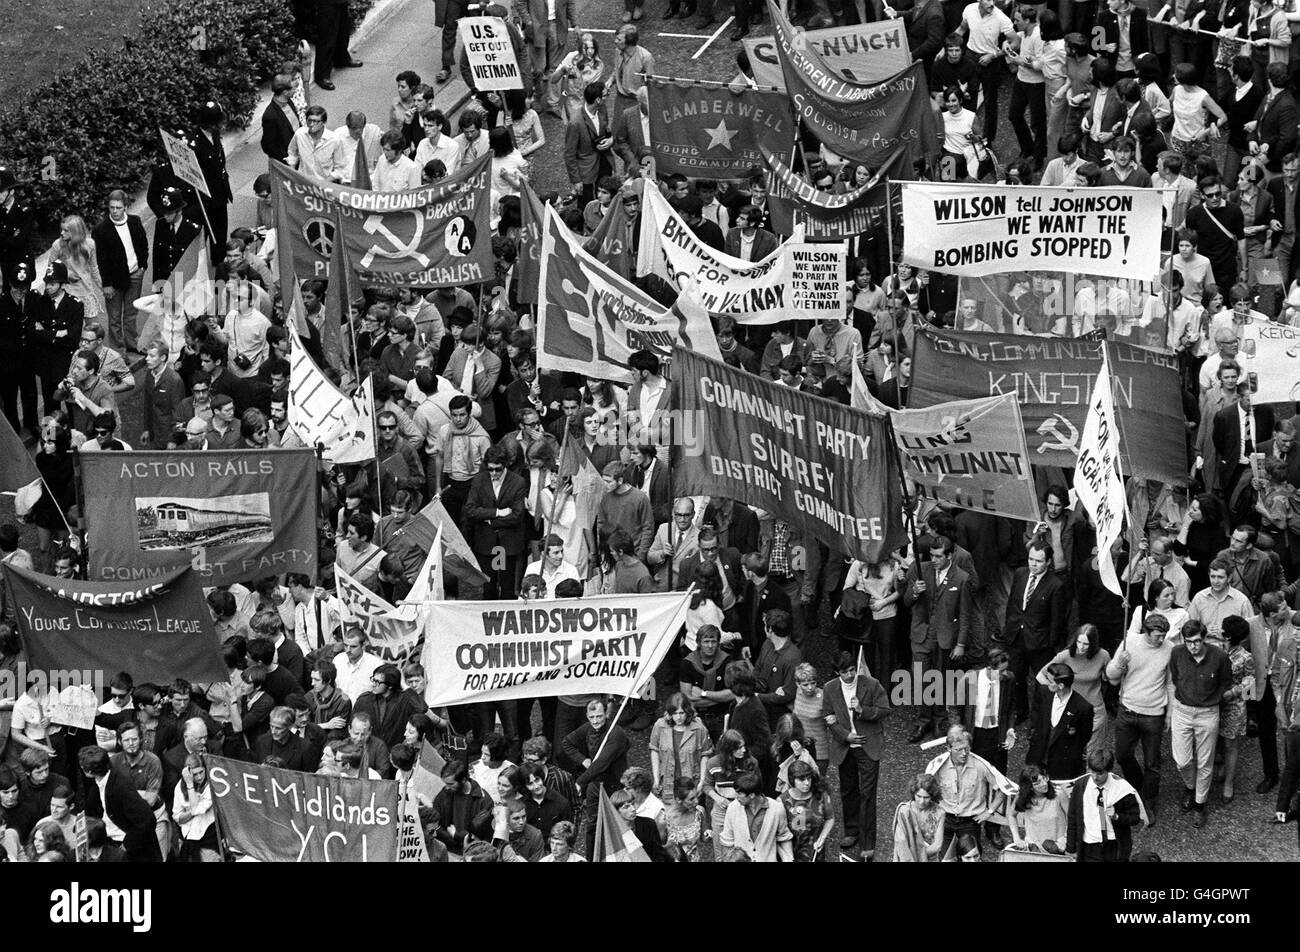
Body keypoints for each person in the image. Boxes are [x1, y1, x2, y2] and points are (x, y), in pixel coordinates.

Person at [904, 533, 975, 741]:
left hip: (945, 637)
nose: (933, 560)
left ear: (950, 556)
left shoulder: (961, 578)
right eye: (931, 555)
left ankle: (939, 718)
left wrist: (961, 643)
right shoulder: (918, 569)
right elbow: (906, 602)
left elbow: (964, 613)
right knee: (921, 678)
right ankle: (923, 719)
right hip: (921, 634)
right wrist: (914, 592)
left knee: (941, 678)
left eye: (938, 556)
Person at [821, 650, 890, 861]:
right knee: (848, 790)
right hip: (846, 746)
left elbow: (885, 709)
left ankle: (868, 843)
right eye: (845, 672)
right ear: (837, 672)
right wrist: (845, 736)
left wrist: (863, 710)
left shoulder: (871, 684)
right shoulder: (830, 689)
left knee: (868, 794)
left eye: (852, 670)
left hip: (868, 744)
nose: (850, 675)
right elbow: (829, 717)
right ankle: (852, 831)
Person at [1169, 619, 1235, 827]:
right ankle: (1190, 786)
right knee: (1182, 760)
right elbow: (1175, 678)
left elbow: (1226, 682)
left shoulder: (1220, 657)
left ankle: (1199, 804)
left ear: (1204, 638)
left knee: (1205, 762)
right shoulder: (1177, 653)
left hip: (1208, 713)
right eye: (1189, 642)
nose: (1193, 646)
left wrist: (1215, 700)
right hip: (1182, 711)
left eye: (1197, 641)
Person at [924, 725, 1014, 856]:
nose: (964, 753)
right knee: (944, 858)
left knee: (972, 857)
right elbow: (928, 789)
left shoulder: (980, 766)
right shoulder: (938, 767)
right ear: (949, 749)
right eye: (959, 750)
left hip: (970, 822)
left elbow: (1002, 789)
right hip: (946, 820)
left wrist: (989, 812)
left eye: (966, 749)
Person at [79, 746, 161, 862]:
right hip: (110, 840)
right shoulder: (99, 782)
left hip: (131, 848)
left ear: (89, 771)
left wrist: (126, 846)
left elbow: (147, 820)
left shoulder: (120, 786)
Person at [1065, 750, 1146, 861]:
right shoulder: (1080, 786)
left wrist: (1117, 816)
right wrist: (1070, 848)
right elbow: (1073, 817)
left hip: (1113, 846)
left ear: (1109, 770)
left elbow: (1135, 818)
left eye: (1100, 773)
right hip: (1089, 845)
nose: (1095, 777)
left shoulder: (1122, 789)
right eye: (1092, 771)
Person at [1027, 662, 1094, 781]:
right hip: (1037, 756)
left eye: (1051, 682)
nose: (1047, 683)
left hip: (1063, 765)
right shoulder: (1044, 692)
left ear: (1061, 686)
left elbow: (1084, 737)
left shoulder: (1083, 708)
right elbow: (1036, 716)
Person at [647, 693, 711, 799]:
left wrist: (702, 781)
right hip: (668, 782)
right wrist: (656, 779)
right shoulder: (660, 726)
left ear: (687, 711)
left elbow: (705, 754)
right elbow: (654, 750)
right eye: (675, 713)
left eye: (682, 713)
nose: (678, 717)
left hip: (691, 782)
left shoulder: (699, 728)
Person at [719, 771, 793, 861]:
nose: (736, 797)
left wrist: (789, 858)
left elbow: (784, 837)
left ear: (751, 795)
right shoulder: (733, 808)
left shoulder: (776, 809)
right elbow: (727, 841)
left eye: (739, 794)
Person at [1012, 764, 1067, 848]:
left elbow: (1072, 816)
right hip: (1034, 847)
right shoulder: (1022, 796)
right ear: (1029, 787)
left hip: (1057, 846)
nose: (1044, 784)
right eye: (1037, 783)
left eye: (1044, 778)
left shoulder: (1059, 794)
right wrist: (1016, 838)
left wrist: (1065, 838)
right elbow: (1011, 815)